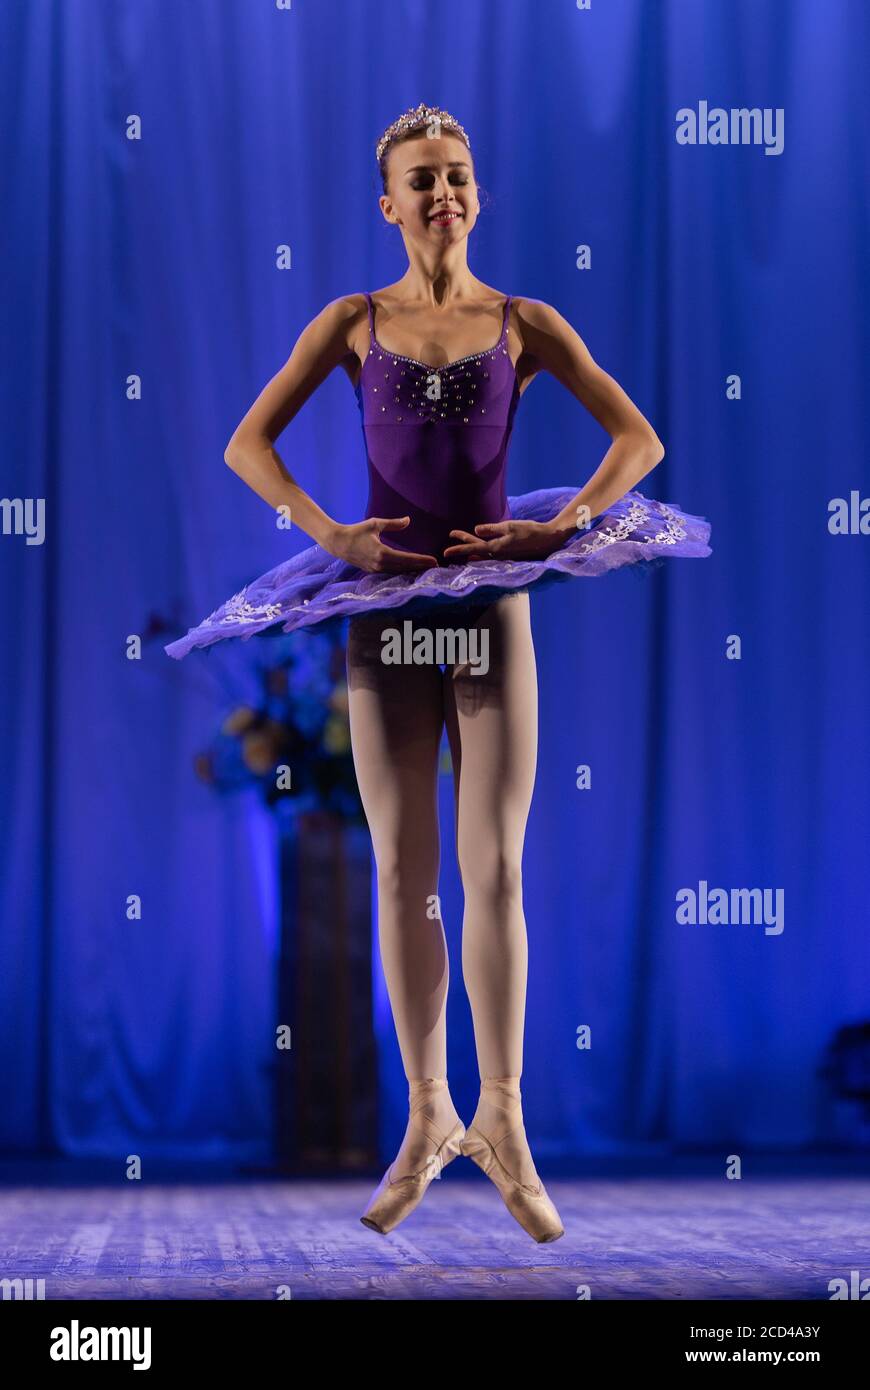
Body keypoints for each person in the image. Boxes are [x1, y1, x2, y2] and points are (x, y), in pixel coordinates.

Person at [165, 103, 711, 1243]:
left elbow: (639, 440)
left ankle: (504, 1118)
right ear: (389, 204)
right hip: (384, 616)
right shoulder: (353, 321)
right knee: (407, 870)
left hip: (489, 615)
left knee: (494, 867)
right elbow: (246, 442)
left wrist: (562, 530)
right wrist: (330, 532)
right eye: (422, 179)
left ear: (479, 194)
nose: (443, 193)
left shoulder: (523, 321)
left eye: (458, 175)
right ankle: (425, 1117)